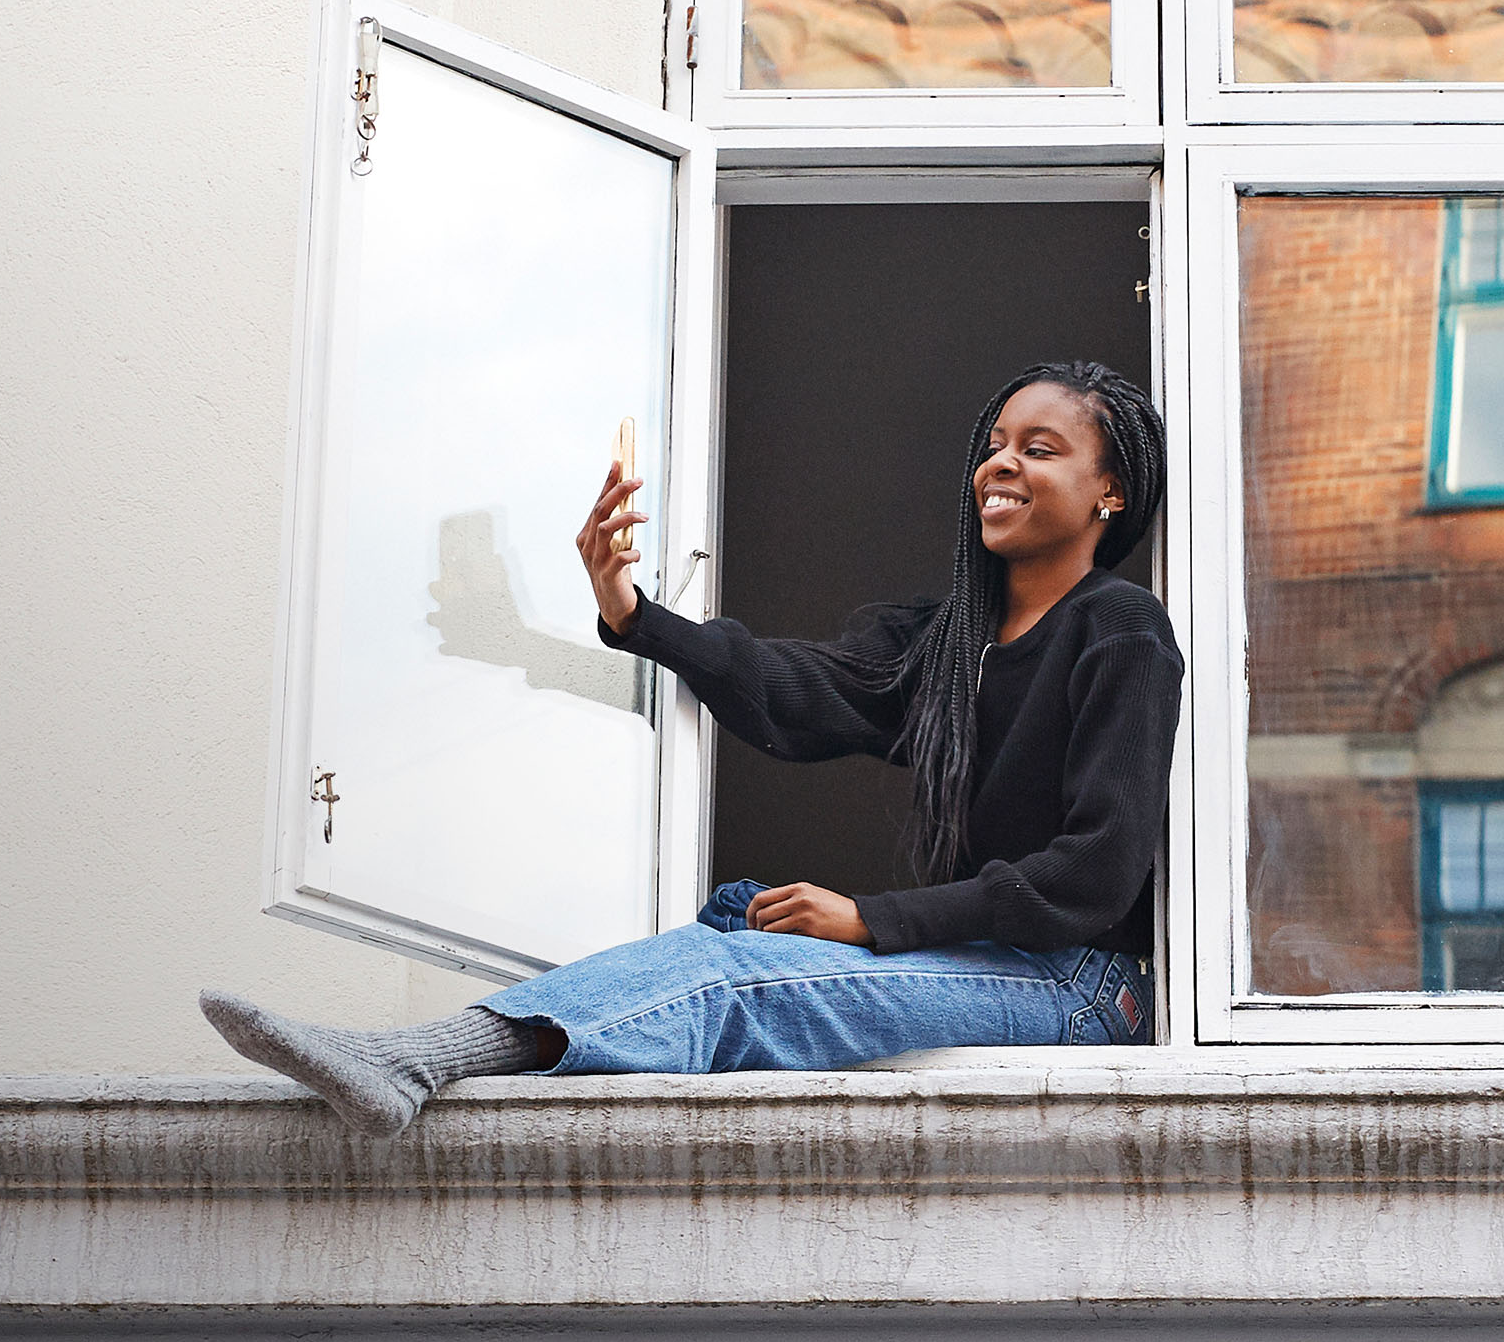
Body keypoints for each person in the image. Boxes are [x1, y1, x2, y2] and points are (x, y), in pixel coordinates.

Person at [204, 361, 1182, 1134]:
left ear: (1109, 492)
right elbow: (794, 690)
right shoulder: (952, 643)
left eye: (1039, 447)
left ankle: (419, 1058)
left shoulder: (1122, 630)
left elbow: (1092, 874)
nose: (999, 463)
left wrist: (868, 918)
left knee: (741, 976)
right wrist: (630, 613)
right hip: (991, 960)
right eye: (994, 444)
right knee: (737, 918)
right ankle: (441, 1055)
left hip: (1079, 982)